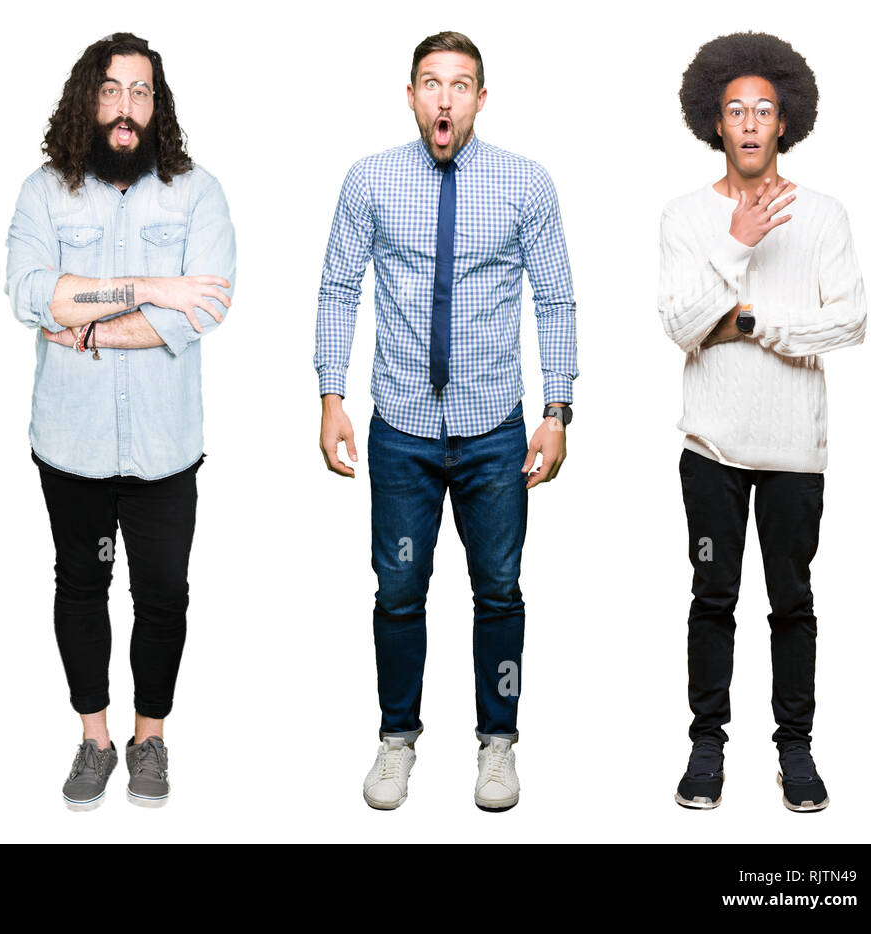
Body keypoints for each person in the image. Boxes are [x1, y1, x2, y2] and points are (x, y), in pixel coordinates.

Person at [314, 31, 578, 811]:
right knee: (398, 589)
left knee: (498, 589)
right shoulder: (370, 181)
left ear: (480, 100)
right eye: (430, 83)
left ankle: (499, 743)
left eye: (460, 85)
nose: (444, 98)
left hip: (496, 430)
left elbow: (556, 297)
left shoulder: (525, 183)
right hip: (401, 429)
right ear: (410, 95)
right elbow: (338, 288)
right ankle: (397, 739)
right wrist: (331, 394)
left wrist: (557, 409)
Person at [5, 32, 236, 810]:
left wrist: (91, 323)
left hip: (168, 449)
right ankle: (94, 740)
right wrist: (150, 288)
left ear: (157, 105)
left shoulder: (198, 192)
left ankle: (151, 740)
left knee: (163, 594)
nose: (126, 107)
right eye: (112, 90)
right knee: (81, 586)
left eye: (141, 92)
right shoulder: (44, 191)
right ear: (88, 99)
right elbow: (31, 294)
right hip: (69, 445)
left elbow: (200, 309)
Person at [660, 32, 866, 812]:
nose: (749, 122)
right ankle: (707, 745)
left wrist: (749, 321)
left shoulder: (824, 215)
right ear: (715, 123)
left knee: (793, 601)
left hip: (794, 453)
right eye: (735, 110)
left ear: (786, 122)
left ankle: (796, 749)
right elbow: (681, 326)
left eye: (764, 110)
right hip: (711, 446)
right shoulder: (685, 217)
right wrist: (737, 245)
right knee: (713, 595)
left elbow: (850, 324)